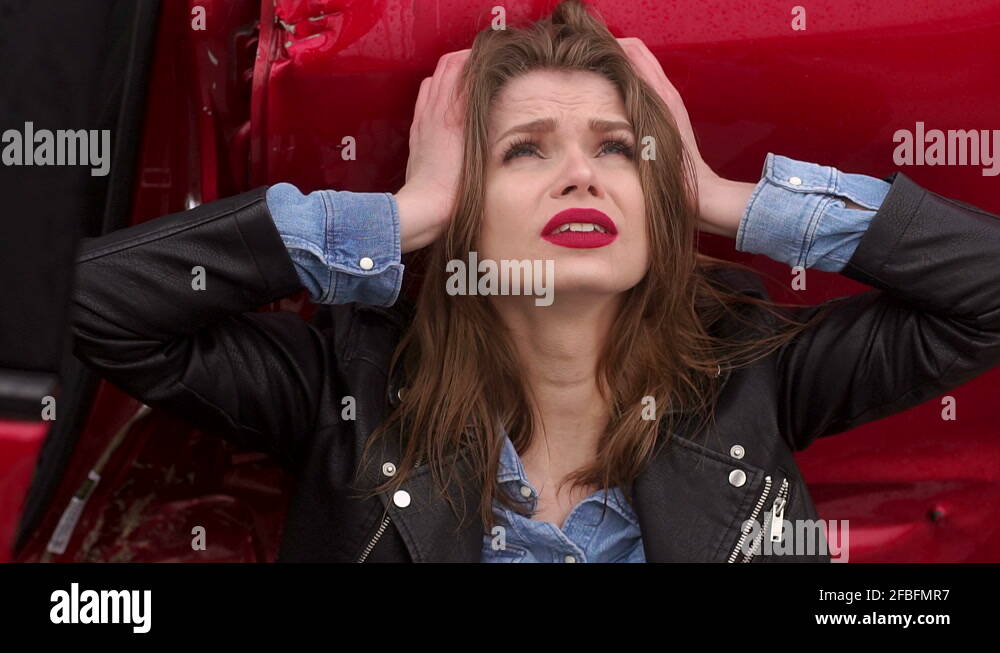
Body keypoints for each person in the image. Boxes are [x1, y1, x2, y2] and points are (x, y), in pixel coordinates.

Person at [71, 0, 1000, 562]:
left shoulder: (752, 375)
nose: (581, 175)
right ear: (466, 206)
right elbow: (93, 306)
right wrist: (403, 213)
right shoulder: (343, 388)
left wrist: (719, 194)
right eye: (523, 151)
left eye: (616, 149)